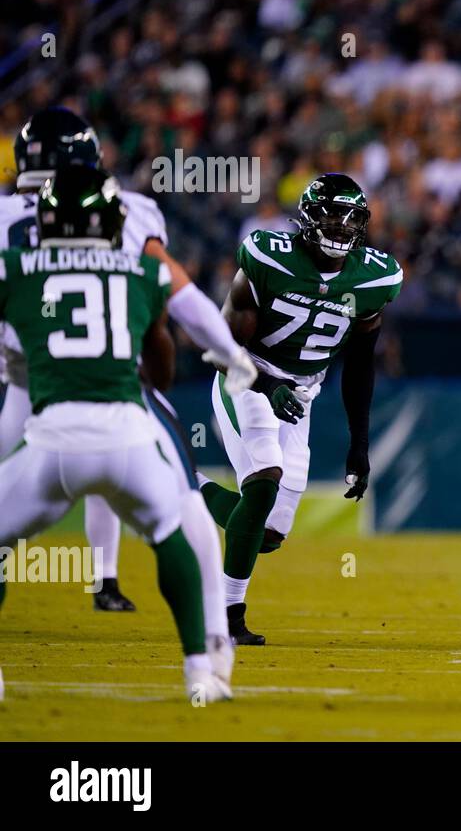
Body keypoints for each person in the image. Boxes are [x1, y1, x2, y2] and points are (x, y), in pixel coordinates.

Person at [0, 108, 255, 625]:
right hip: (110, 379)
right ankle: (209, 643)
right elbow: (180, 296)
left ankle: (109, 581)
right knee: (180, 497)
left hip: (26, 378)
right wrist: (230, 354)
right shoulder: (130, 209)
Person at [201, 173, 402, 645]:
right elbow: (220, 346)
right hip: (247, 377)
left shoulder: (373, 277)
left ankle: (183, 490)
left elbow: (360, 365)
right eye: (332, 215)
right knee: (264, 477)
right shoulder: (270, 257)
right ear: (308, 217)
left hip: (302, 393)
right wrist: (267, 384)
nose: (341, 226)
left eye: (352, 218)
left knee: (268, 532)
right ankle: (228, 618)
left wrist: (360, 444)